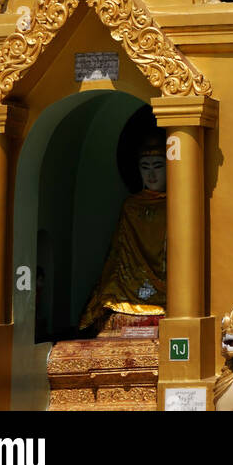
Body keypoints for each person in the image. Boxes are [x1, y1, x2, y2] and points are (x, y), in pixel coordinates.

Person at [79, 133, 167, 334]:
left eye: (158, 166)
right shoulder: (131, 206)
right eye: (145, 168)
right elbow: (121, 253)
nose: (151, 175)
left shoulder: (176, 203)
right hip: (132, 284)